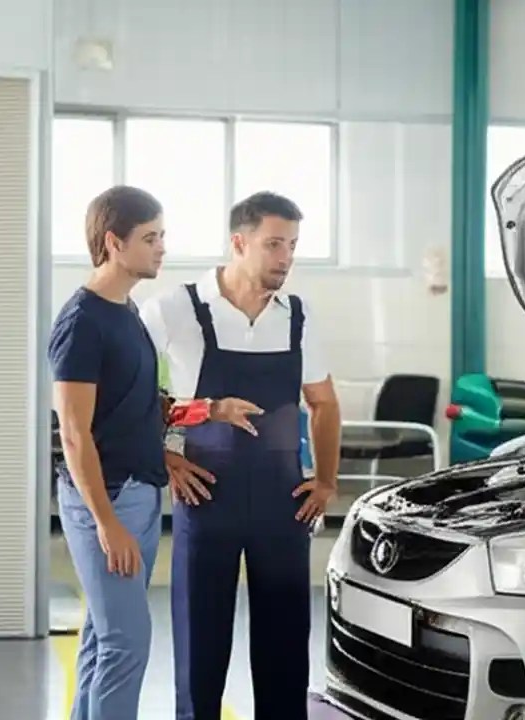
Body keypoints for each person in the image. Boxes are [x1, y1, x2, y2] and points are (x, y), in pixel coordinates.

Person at [50, 186, 259, 720]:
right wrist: (106, 523)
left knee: (104, 639)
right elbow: (74, 434)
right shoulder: (82, 323)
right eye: (151, 237)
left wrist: (210, 410)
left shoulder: (126, 315)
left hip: (139, 494)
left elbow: (144, 406)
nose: (162, 247)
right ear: (113, 243)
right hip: (109, 499)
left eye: (162, 235)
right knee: (127, 645)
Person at [139, 190, 342, 720]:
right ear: (239, 241)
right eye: (274, 244)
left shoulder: (299, 316)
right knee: (200, 642)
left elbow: (322, 403)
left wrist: (325, 482)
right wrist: (164, 458)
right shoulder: (174, 308)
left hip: (283, 502)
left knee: (284, 645)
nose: (286, 257)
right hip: (207, 494)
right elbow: (126, 396)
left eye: (293, 245)